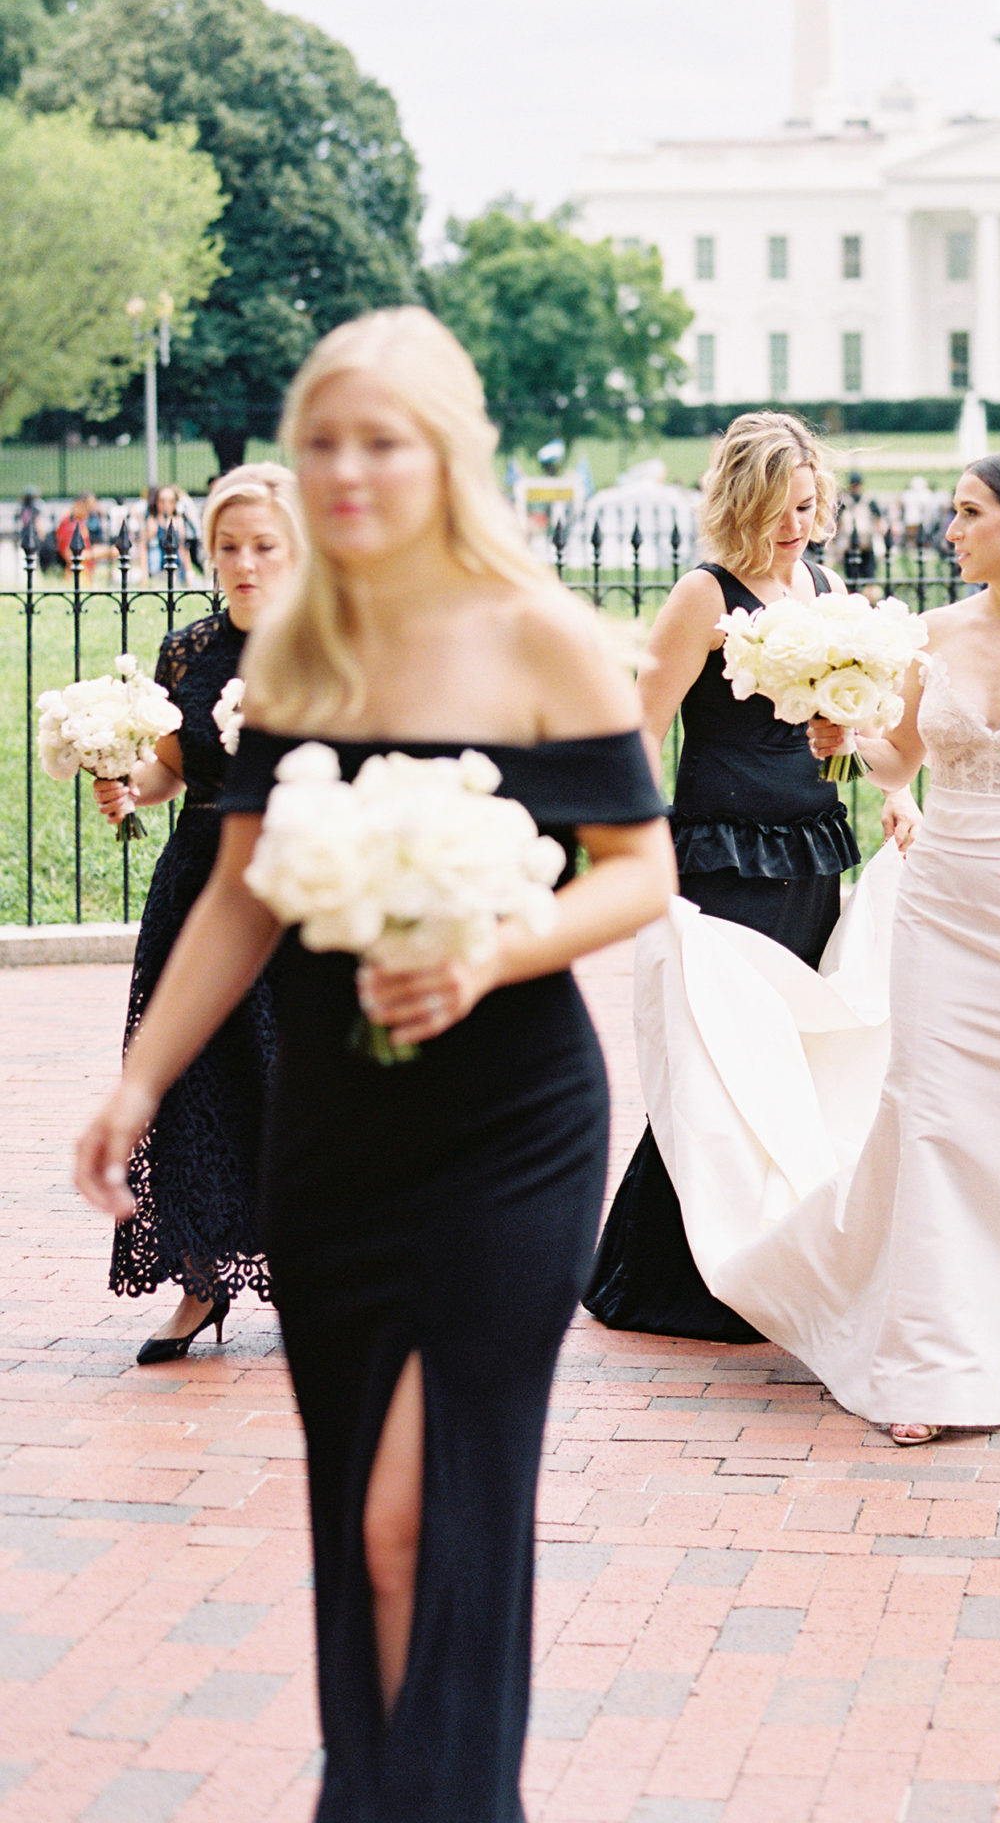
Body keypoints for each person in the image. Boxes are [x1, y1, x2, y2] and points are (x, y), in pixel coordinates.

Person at [75, 307, 676, 1823]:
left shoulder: (536, 632)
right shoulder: (297, 648)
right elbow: (237, 890)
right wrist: (138, 1085)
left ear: (447, 457)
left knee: (438, 1512)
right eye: (321, 443)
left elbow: (636, 873)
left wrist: (494, 946)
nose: (346, 471)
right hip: (334, 1133)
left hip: (508, 1124)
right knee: (360, 1511)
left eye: (380, 441)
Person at [637, 452, 1000, 1446]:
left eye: (967, 515)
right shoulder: (928, 635)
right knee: (926, 1113)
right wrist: (841, 729)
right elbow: (896, 755)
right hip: (944, 903)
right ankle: (923, 1353)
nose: (947, 531)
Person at [585, 411, 864, 1343]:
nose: (799, 524)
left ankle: (769, 1261)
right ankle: (667, 1276)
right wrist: (634, 855)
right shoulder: (703, 595)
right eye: (783, 508)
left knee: (785, 1063)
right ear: (742, 502)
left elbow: (846, 735)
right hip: (722, 857)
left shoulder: (823, 587)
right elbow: (641, 729)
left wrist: (848, 748)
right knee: (718, 1065)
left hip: (810, 848)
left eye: (810, 504)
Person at [99, 464, 304, 1362]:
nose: (245, 563)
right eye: (229, 547)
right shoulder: (185, 652)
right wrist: (129, 791)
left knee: (291, 1081)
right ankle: (198, 1281)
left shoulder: (324, 648)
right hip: (198, 884)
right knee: (192, 1086)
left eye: (263, 545)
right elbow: (170, 768)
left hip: (296, 883)